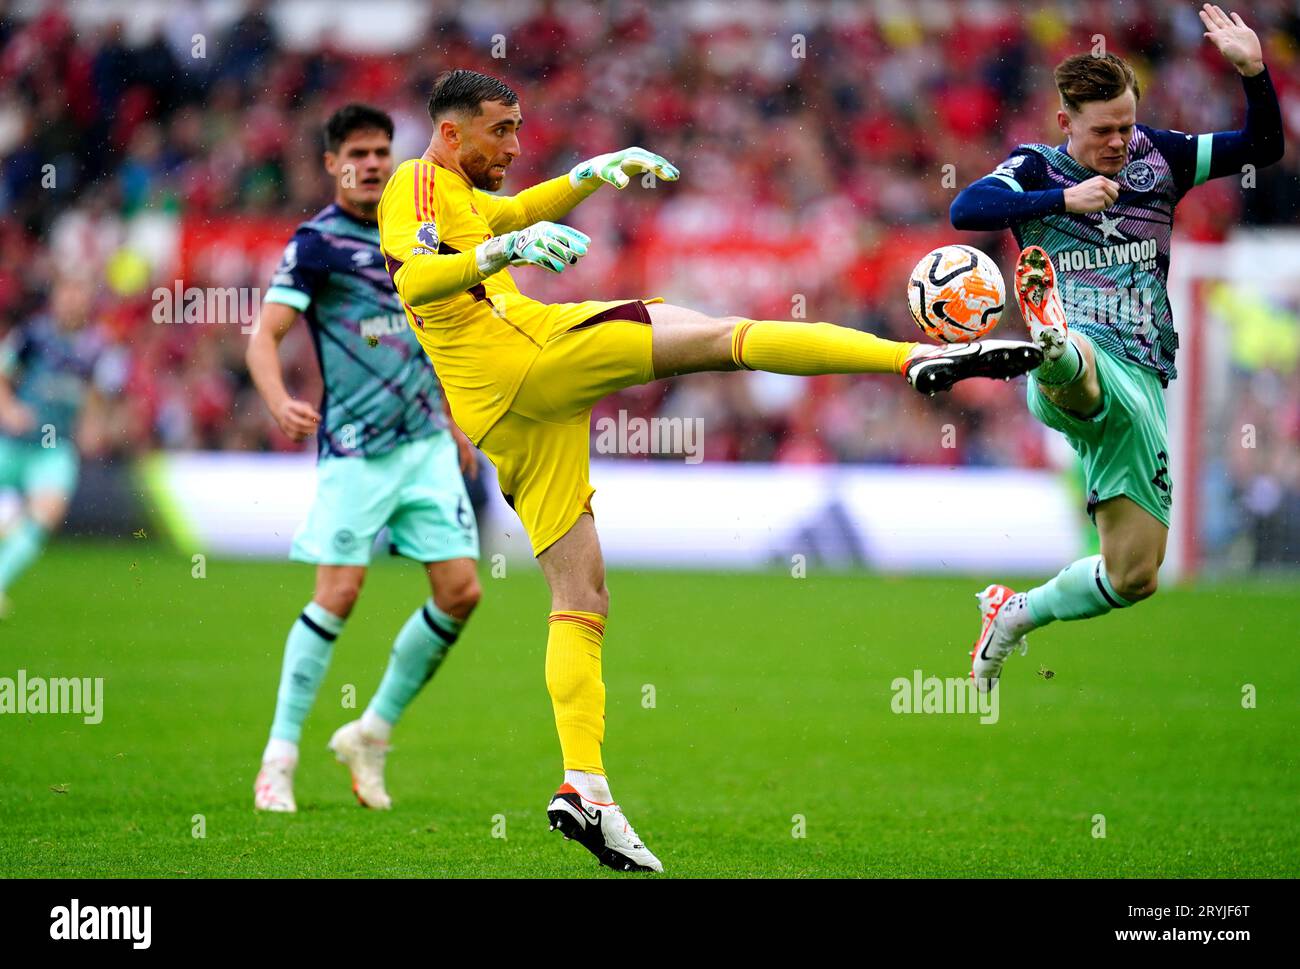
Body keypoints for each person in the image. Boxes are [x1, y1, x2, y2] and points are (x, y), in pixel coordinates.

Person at [378, 70, 1043, 872]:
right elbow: (416, 274)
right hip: (526, 353)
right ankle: (914, 355)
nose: (515, 146)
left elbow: (511, 214)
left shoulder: (458, 191)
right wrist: (503, 251)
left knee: (579, 592)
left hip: (498, 409)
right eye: (501, 131)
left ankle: (585, 787)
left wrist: (585, 177)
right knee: (724, 335)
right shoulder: (413, 182)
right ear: (451, 134)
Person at [950, 5, 1284, 689]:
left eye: (1126, 125)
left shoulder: (1159, 158)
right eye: (1103, 130)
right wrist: (1063, 202)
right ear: (1065, 122)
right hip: (1078, 361)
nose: (1117, 142)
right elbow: (967, 209)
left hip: (1144, 378)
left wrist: (1253, 71)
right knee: (1084, 374)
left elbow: (1262, 146)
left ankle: (1012, 613)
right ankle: (1051, 339)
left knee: (1135, 575)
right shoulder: (1035, 170)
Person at [248, 104, 482, 813]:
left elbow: (436, 330)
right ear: (331, 163)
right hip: (353, 448)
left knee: (462, 591)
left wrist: (458, 418)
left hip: (424, 442)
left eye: (383, 150)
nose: (375, 162)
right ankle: (278, 758)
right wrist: (277, 397)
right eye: (359, 151)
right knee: (339, 594)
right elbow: (265, 335)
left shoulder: (420, 235)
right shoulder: (317, 244)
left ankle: (371, 730)